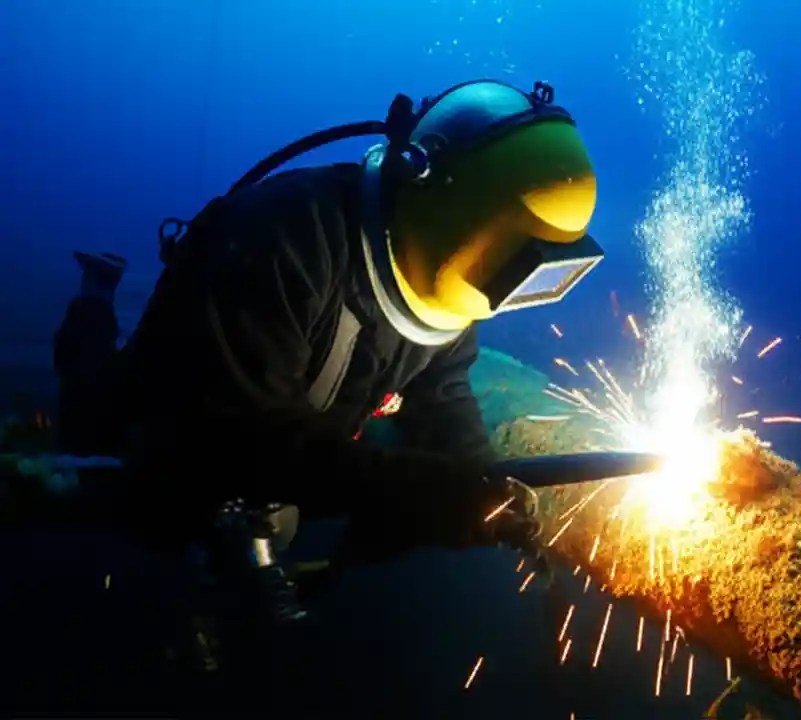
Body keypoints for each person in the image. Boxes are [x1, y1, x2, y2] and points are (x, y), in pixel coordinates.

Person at [50, 79, 604, 560]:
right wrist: (427, 492)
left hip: (308, 412)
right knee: (88, 412)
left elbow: (443, 389)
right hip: (176, 408)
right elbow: (239, 436)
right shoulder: (288, 238)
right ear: (450, 216)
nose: (506, 290)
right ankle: (96, 290)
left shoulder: (449, 288)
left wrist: (485, 484)